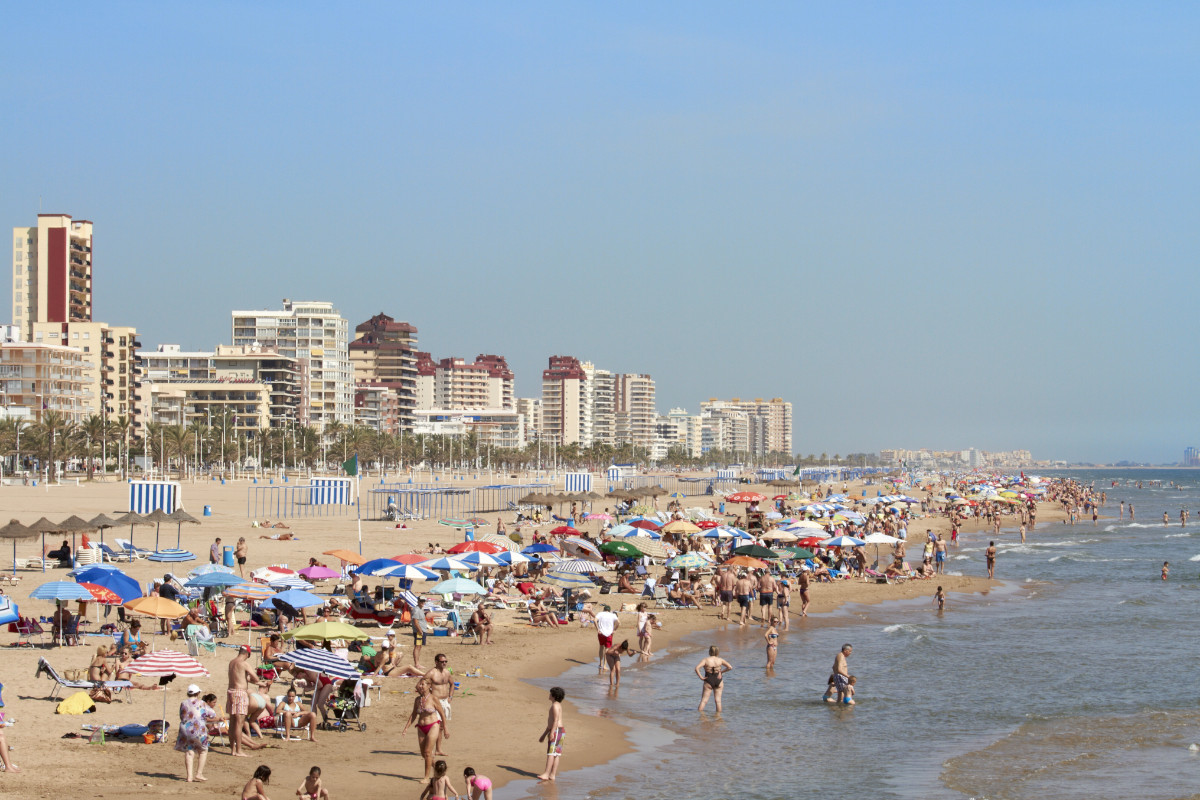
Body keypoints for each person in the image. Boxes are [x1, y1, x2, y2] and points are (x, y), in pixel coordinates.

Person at [402, 678, 448, 783]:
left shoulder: (433, 698)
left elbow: (441, 713)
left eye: (423, 684)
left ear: (429, 686)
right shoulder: (417, 700)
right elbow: (413, 714)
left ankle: (426, 778)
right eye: (420, 684)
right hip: (421, 727)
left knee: (428, 752)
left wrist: (445, 728)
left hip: (433, 725)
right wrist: (406, 728)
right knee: (424, 754)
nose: (420, 686)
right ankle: (438, 768)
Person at [176, 683, 216, 782]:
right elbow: (212, 714)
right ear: (198, 693)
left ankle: (189, 776)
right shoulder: (202, 703)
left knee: (189, 751)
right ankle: (199, 774)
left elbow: (181, 715)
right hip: (198, 729)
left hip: (185, 729)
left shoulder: (183, 703)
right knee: (203, 750)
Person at [227, 645, 262, 757]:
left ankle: (233, 749)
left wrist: (247, 679)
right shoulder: (244, 663)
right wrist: (253, 680)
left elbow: (238, 677)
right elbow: (256, 679)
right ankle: (238, 750)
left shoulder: (231, 662)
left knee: (232, 723)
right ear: (247, 654)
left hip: (231, 692)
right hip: (240, 693)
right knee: (239, 723)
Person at [424, 654, 454, 756]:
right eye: (442, 662)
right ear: (436, 662)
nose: (444, 663)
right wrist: (427, 698)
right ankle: (429, 748)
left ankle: (438, 749)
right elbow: (420, 685)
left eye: (446, 661)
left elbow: (452, 684)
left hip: (445, 701)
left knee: (441, 727)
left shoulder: (446, 672)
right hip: (435, 701)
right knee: (433, 725)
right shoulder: (431, 673)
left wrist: (450, 696)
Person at [536, 687, 565, 782]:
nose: (549, 695)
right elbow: (550, 723)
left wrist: (552, 733)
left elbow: (555, 720)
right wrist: (544, 735)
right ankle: (552, 774)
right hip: (559, 731)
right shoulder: (557, 705)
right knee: (556, 753)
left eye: (550, 694)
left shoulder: (555, 706)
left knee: (551, 753)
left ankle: (547, 773)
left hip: (556, 731)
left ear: (554, 696)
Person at [696, 646, 732, 712]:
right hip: (718, 680)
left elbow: (697, 668)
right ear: (718, 652)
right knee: (718, 701)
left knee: (704, 701)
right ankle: (718, 718)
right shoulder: (720, 660)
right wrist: (721, 672)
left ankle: (700, 717)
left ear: (710, 651)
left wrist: (701, 677)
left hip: (708, 680)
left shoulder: (705, 660)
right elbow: (730, 667)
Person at [593, 606, 619, 671]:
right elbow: (618, 623)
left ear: (604, 610)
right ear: (609, 610)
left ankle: (600, 664)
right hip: (609, 634)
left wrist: (597, 629)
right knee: (607, 650)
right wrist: (614, 630)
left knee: (601, 647)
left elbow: (595, 620)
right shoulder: (613, 615)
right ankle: (604, 665)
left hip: (601, 633)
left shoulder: (600, 613)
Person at [412, 598, 432, 669]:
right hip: (419, 631)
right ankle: (417, 664)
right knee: (417, 647)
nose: (423, 602)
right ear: (418, 601)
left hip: (422, 630)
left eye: (424, 601)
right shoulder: (416, 610)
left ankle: (417, 663)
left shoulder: (420, 609)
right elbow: (415, 621)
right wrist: (420, 631)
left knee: (419, 646)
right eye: (421, 601)